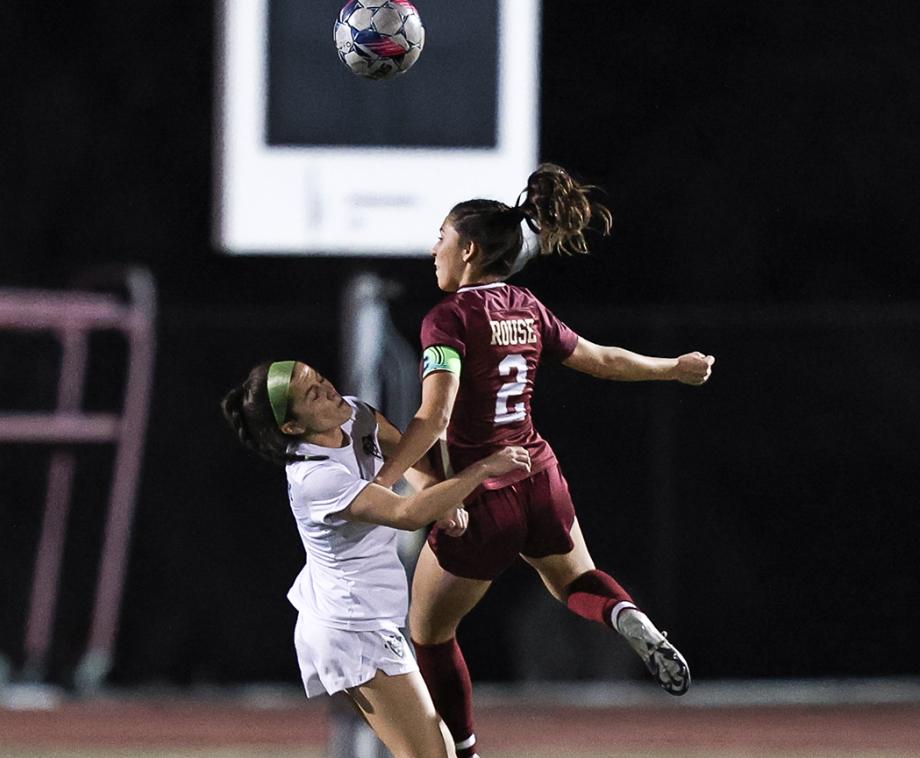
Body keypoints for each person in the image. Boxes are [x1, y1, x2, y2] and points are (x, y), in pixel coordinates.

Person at [371, 164, 715, 758]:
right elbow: (603, 360)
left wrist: (384, 479)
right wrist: (673, 368)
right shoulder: (525, 306)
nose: (434, 250)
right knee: (576, 579)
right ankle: (625, 613)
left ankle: (467, 752)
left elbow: (432, 418)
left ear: (470, 250)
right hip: (539, 474)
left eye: (442, 239)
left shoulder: (446, 319)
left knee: (429, 634)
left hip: (480, 496)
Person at [221, 359, 531, 758]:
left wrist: (438, 497)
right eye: (312, 394)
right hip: (352, 630)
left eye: (320, 377)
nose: (328, 389)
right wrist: (482, 471)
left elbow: (406, 454)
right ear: (293, 428)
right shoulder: (316, 478)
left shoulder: (353, 414)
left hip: (359, 619)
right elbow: (407, 515)